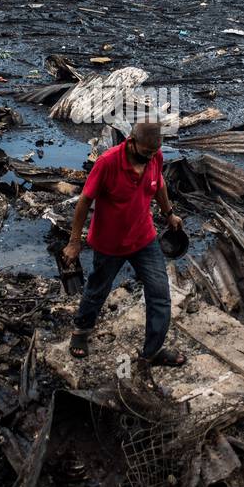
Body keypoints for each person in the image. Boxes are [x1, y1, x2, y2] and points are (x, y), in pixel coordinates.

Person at [60, 121, 187, 367]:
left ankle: (151, 352)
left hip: (144, 238)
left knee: (160, 294)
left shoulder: (154, 157)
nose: (150, 157)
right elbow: (84, 202)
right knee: (97, 289)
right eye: (146, 152)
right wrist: (74, 241)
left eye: (154, 153)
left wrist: (168, 213)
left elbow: (159, 183)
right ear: (131, 142)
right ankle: (81, 332)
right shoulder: (107, 163)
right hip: (110, 243)